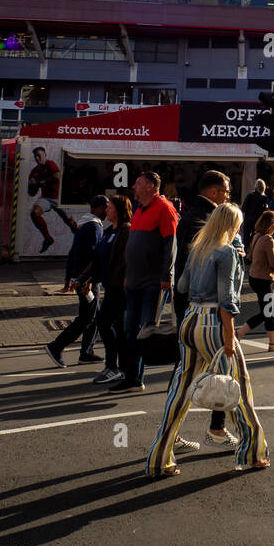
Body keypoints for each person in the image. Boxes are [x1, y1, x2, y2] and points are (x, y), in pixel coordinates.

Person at [145, 202, 268, 478]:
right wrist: (228, 336)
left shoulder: (198, 249)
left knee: (180, 389)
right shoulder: (228, 254)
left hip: (190, 319)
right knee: (238, 388)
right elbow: (228, 300)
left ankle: (159, 458)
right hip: (214, 322)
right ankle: (253, 453)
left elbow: (182, 286)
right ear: (232, 225)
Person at [172, 169, 237, 446]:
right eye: (225, 191)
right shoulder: (209, 219)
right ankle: (218, 429)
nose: (227, 196)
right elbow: (220, 289)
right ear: (213, 192)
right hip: (207, 312)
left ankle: (170, 432)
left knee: (184, 373)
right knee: (226, 371)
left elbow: (183, 280)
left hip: (188, 308)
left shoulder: (188, 214)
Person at [114, 171, 177, 393]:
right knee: (130, 329)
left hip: (152, 282)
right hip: (134, 280)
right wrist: (127, 275)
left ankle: (136, 377)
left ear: (150, 186)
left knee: (145, 330)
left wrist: (166, 276)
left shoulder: (165, 208)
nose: (133, 187)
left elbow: (171, 244)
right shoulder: (140, 210)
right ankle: (131, 376)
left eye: (138, 184)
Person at [43, 195, 108, 368]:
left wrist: (68, 278)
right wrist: (85, 279)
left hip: (81, 278)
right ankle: (56, 346)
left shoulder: (84, 225)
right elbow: (91, 256)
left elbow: (73, 253)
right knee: (87, 318)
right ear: (99, 208)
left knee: (95, 316)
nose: (108, 211)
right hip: (88, 281)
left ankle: (86, 352)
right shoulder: (94, 227)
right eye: (106, 207)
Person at [80, 194, 131, 383]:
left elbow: (127, 260)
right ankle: (123, 368)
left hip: (120, 288)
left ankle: (112, 366)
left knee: (103, 322)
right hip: (110, 285)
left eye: (110, 207)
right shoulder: (110, 231)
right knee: (118, 327)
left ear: (119, 209)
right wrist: (84, 278)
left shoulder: (126, 231)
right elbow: (97, 259)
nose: (106, 209)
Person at [238, 209, 274, 351]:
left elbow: (251, 256)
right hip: (263, 279)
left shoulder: (256, 236)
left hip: (254, 277)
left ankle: (273, 342)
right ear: (270, 225)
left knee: (268, 311)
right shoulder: (267, 240)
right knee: (268, 311)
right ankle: (240, 333)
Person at [240, 178, 268, 246]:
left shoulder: (250, 195)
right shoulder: (264, 198)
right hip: (258, 220)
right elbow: (265, 209)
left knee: (246, 237)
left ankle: (246, 252)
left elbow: (243, 208)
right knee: (255, 237)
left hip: (248, 219)